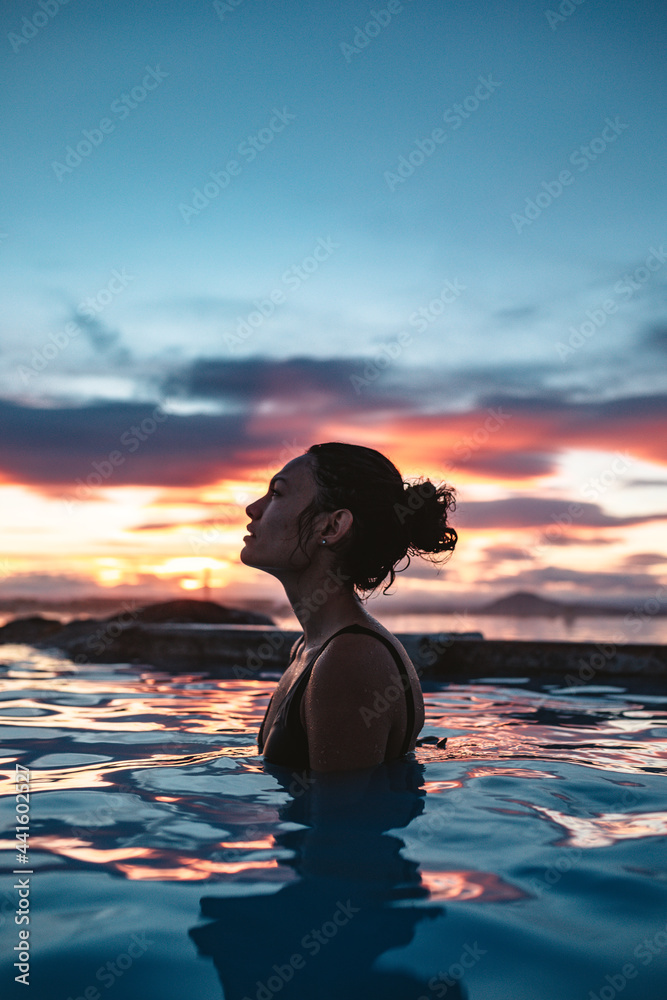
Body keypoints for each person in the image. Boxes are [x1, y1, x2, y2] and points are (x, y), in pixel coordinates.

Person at [240, 442, 457, 772]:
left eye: (278, 494)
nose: (253, 509)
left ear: (331, 527)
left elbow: (342, 818)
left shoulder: (347, 661)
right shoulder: (312, 649)